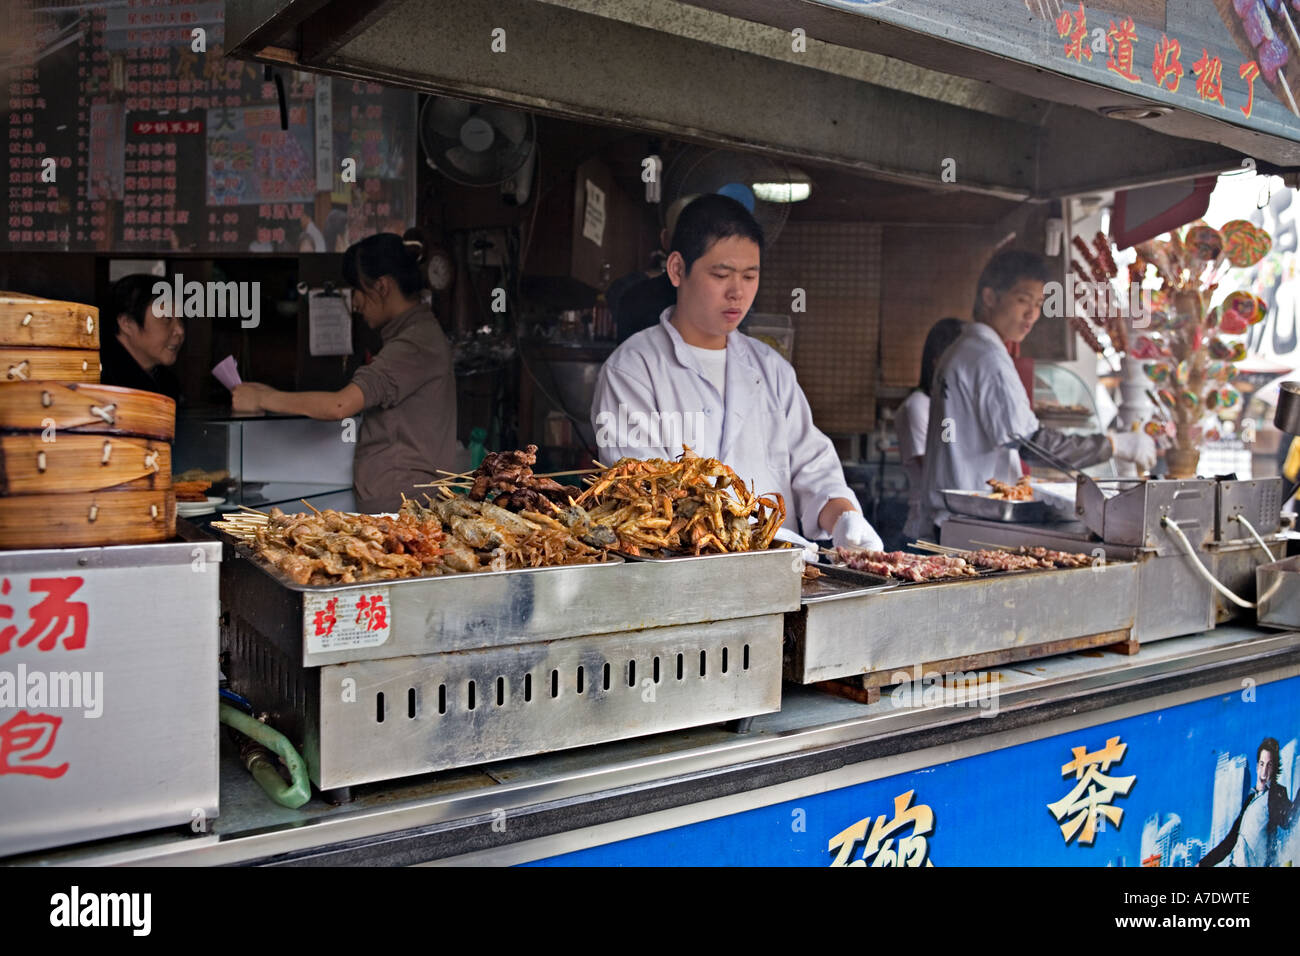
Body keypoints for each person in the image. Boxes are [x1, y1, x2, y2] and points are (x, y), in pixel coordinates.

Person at [590, 194, 881, 556]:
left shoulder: (771, 369)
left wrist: (844, 518)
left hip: (784, 578)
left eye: (749, 276)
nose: (737, 292)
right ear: (678, 269)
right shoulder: (633, 370)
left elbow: (814, 469)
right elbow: (647, 496)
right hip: (685, 579)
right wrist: (765, 540)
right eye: (721, 274)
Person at [917, 249, 1157, 538]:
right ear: (990, 297)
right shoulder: (987, 357)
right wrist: (1115, 445)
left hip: (950, 518)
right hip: (970, 521)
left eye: (1039, 304)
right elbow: (1033, 444)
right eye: (1022, 301)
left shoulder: (962, 349)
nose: (1032, 314)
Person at [232, 231, 459, 513]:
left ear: (382, 287)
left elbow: (339, 405)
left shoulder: (414, 343)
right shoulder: (414, 335)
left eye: (357, 291)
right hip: (399, 504)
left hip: (404, 509)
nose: (355, 303)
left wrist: (262, 399)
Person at [897, 318, 966, 541]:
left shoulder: (951, 406)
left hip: (950, 526)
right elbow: (933, 468)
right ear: (939, 361)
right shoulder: (917, 405)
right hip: (923, 532)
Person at [1199, 738, 1299, 867]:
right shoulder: (1250, 800)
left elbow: (1289, 820)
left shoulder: (1276, 795)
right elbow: (1230, 841)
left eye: (1269, 765)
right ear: (1257, 767)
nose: (1264, 772)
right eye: (1262, 764)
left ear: (1274, 769)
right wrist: (1202, 864)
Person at [100, 273, 185, 401]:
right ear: (127, 323)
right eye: (167, 318)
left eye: (180, 318)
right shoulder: (99, 381)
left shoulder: (166, 382)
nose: (180, 330)